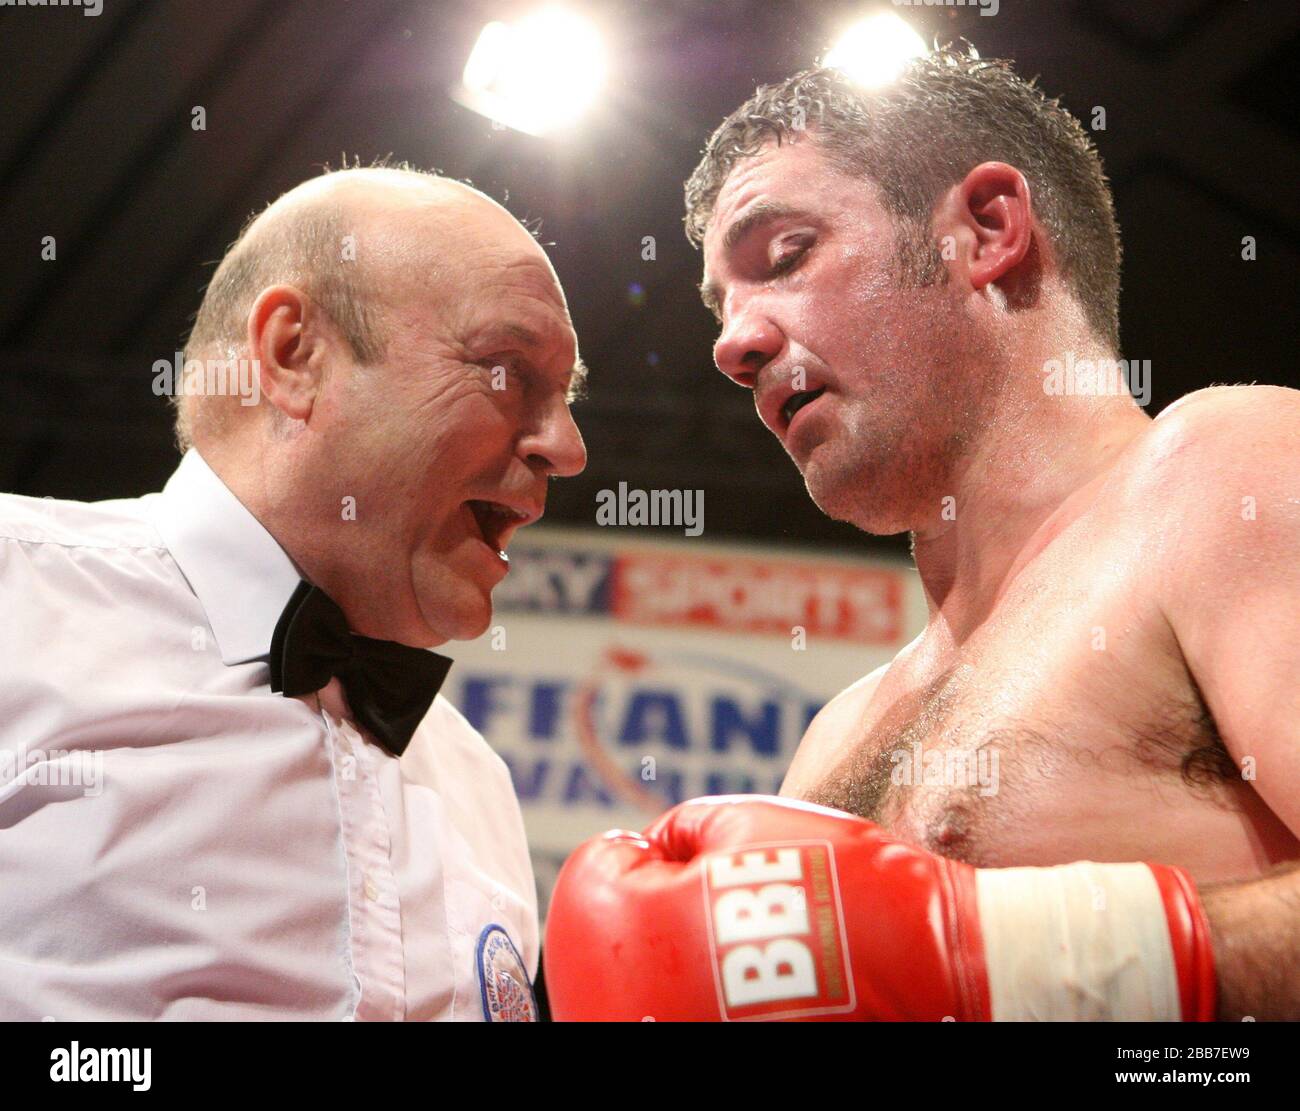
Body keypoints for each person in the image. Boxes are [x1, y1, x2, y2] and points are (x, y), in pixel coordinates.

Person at [544, 53, 1299, 1021]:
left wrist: (1015, 961)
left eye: (783, 256)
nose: (732, 345)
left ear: (985, 230)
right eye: (719, 307)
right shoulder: (836, 736)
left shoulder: (1225, 472)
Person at [0, 165, 587, 1020]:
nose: (566, 447)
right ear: (292, 354)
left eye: (567, 398)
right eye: (506, 370)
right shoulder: (16, 592)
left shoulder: (476, 784)